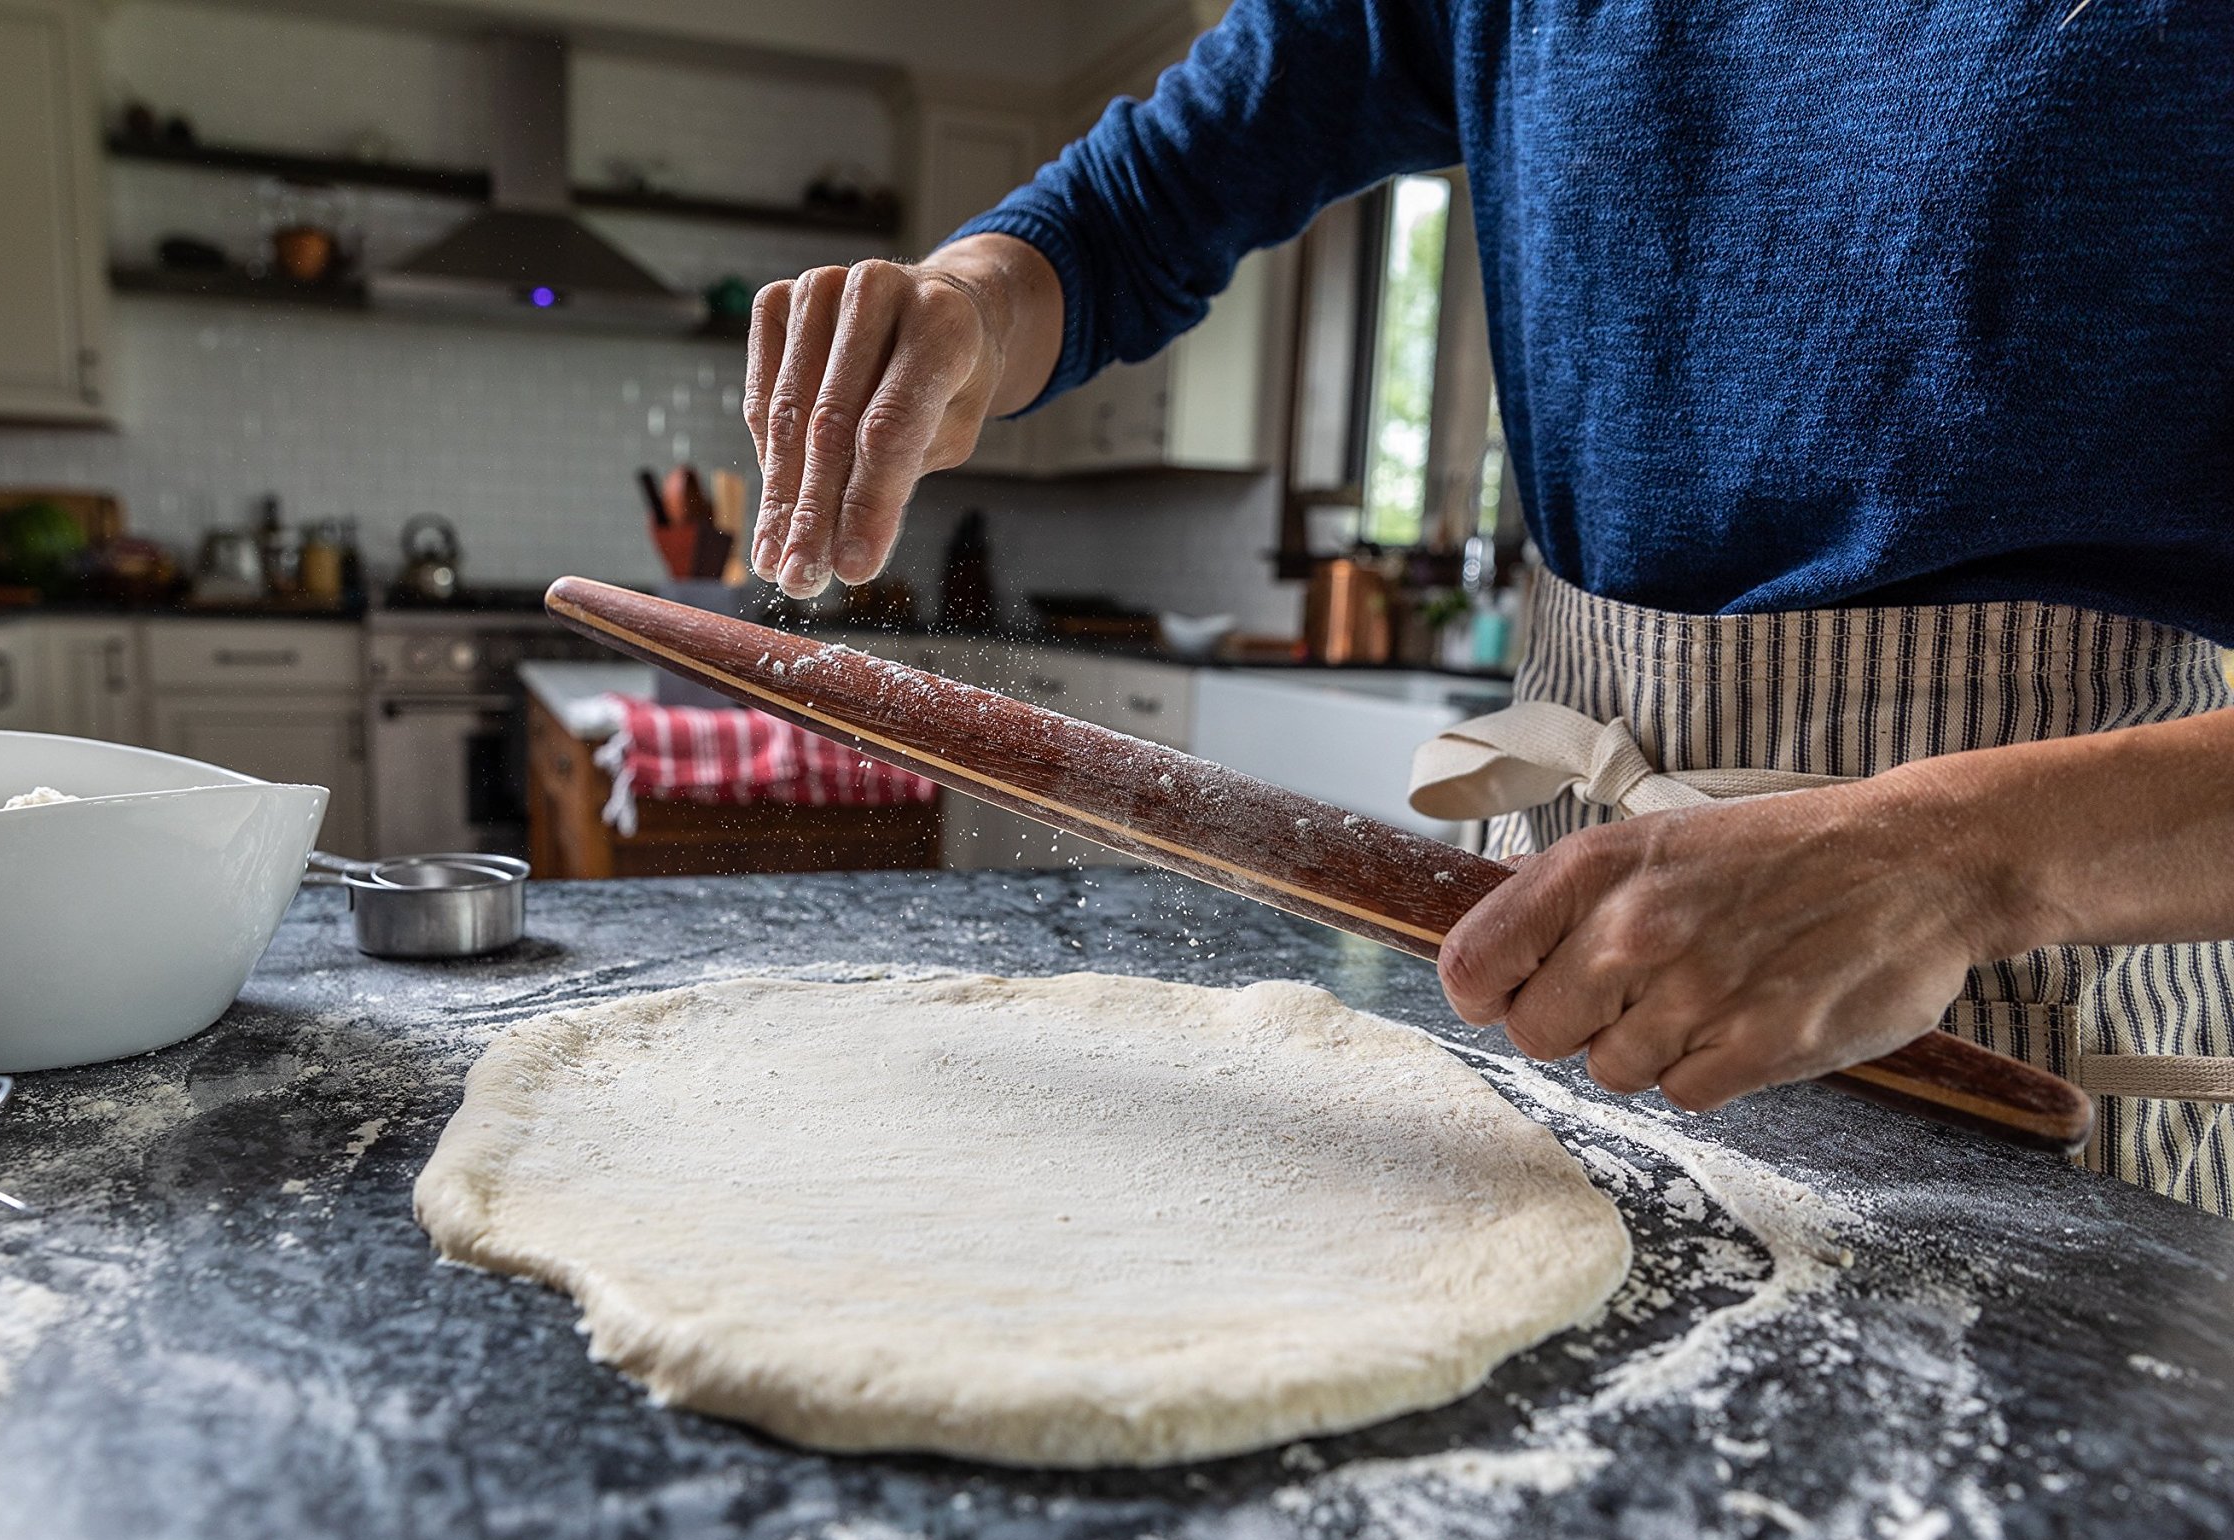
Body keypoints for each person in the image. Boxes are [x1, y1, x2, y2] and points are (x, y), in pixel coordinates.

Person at [739, 0, 2234, 1214]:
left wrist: (1961, 855)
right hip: (1568, 964)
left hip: (2035, 990)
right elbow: (1144, 203)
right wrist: (975, 299)